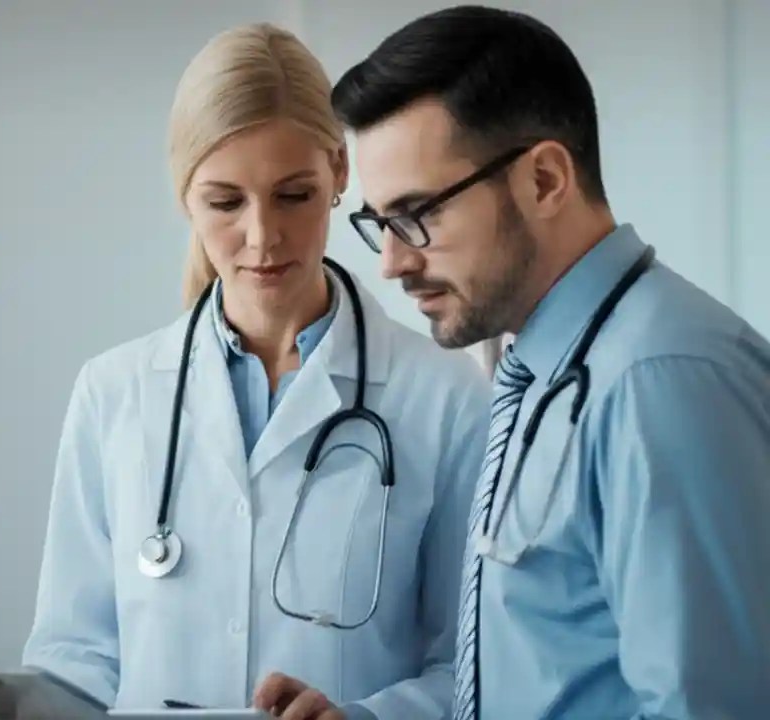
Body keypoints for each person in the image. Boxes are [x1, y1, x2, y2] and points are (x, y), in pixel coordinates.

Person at [269, 5, 770, 719]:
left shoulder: (660, 381)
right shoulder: (544, 371)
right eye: (380, 223)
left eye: (418, 214)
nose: (391, 262)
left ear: (543, 181)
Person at [20, 21, 491, 720]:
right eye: (224, 202)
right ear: (185, 195)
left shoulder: (445, 397)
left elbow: (470, 665)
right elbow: (72, 654)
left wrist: (363, 717)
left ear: (338, 171)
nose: (262, 237)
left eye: (294, 195)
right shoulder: (112, 395)